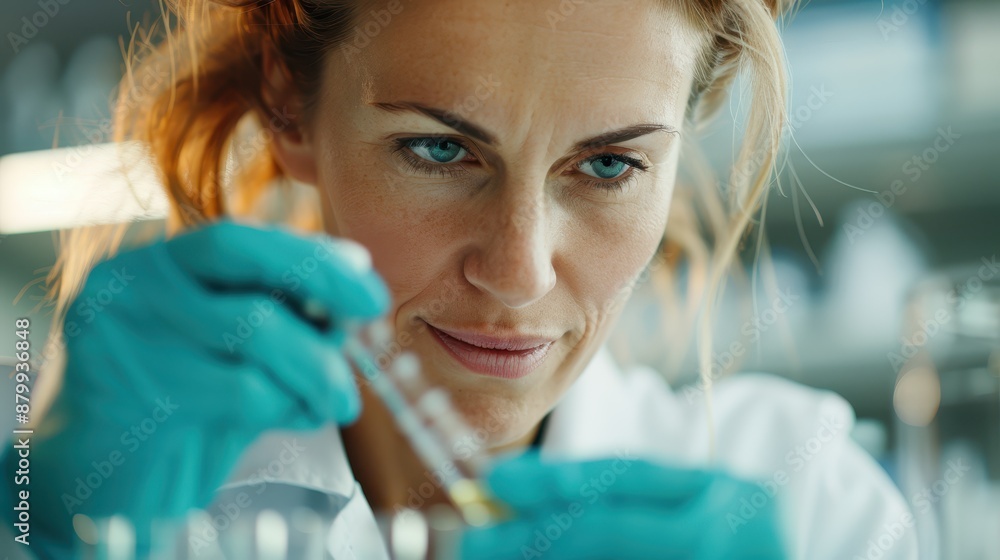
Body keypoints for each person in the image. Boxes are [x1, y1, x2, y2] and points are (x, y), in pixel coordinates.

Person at [0, 0, 919, 558]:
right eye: (438, 150)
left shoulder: (812, 505)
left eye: (607, 168)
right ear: (289, 103)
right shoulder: (135, 501)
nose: (517, 273)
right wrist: (34, 522)